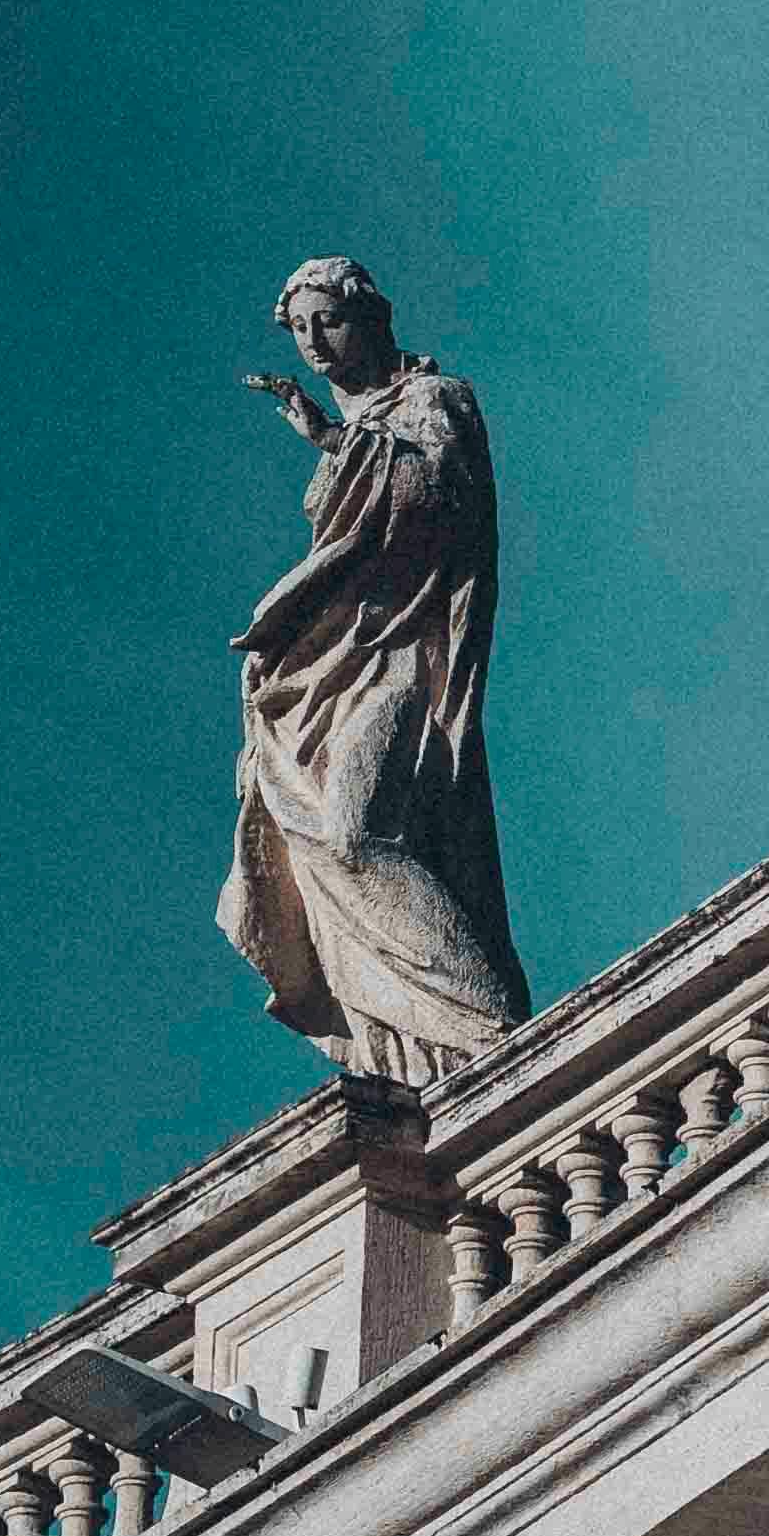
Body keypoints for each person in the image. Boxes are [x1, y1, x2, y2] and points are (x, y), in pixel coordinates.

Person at [222, 261, 529, 1086]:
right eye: (300, 330)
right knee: (329, 840)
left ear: (372, 315)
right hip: (339, 660)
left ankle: (495, 1039)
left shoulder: (435, 400)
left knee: (355, 836)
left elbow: (430, 499)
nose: (314, 343)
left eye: (327, 320)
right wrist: (335, 440)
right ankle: (415, 1059)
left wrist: (342, 444)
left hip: (405, 656)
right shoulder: (365, 427)